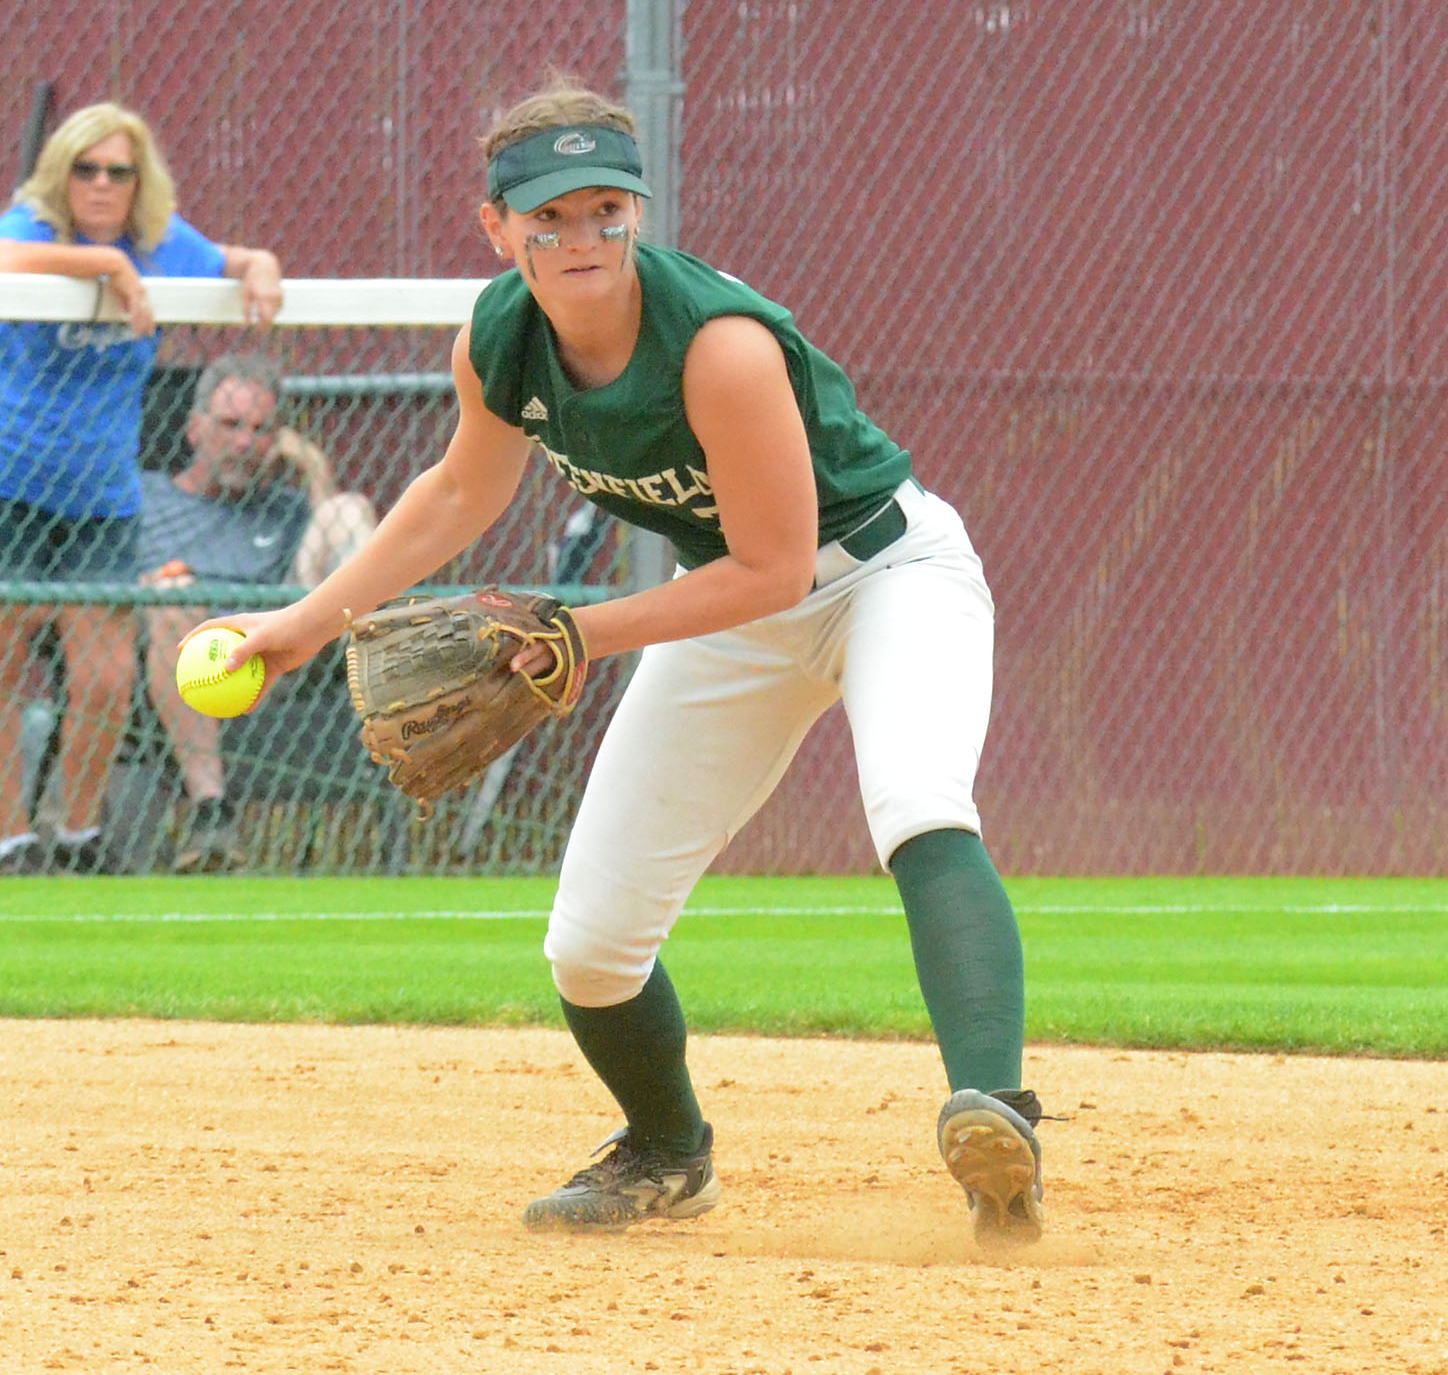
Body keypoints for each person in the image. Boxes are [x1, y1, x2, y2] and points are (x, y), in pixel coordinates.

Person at [202, 82, 1046, 1244]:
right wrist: (306, 616)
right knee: (592, 945)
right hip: (731, 599)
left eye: (606, 209)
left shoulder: (719, 347)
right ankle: (665, 1151)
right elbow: (460, 490)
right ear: (496, 227)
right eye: (548, 217)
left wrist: (575, 632)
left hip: (885, 574)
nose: (580, 238)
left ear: (637, 213)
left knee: (915, 803)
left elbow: (777, 566)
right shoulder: (499, 337)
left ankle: (994, 1120)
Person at [0, 102, 283, 874]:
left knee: (103, 677)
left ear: (138, 180)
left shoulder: (162, 243)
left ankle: (82, 838)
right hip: (12, 484)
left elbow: (235, 258)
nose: (99, 184)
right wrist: (106, 267)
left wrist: (258, 267)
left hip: (101, 497)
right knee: (4, 657)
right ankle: (12, 841)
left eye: (116, 171)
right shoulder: (31, 228)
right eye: (85, 169)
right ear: (62, 173)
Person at [137, 353, 378, 872]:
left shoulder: (287, 508)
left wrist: (313, 469)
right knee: (173, 596)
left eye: (260, 429)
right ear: (194, 428)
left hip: (287, 658)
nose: (244, 443)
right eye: (229, 425)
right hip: (182, 666)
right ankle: (212, 811)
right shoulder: (145, 499)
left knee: (349, 511)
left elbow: (337, 557)